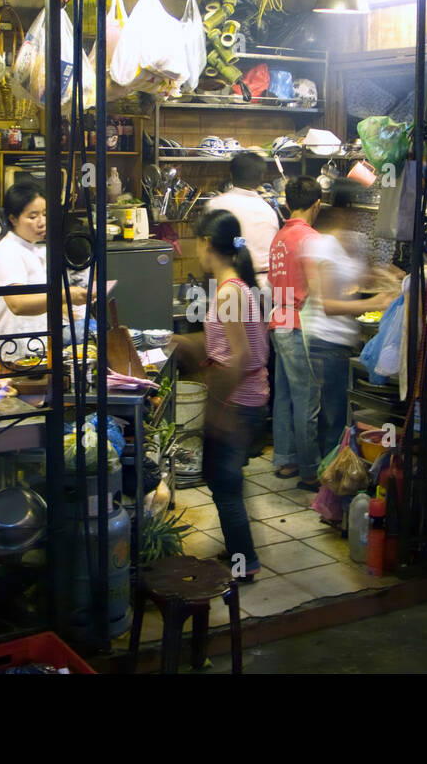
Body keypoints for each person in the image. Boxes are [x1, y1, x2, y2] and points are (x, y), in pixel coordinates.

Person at [172, 210, 268, 582]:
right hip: (246, 399)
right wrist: (184, 342)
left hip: (239, 403)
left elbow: (240, 357)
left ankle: (245, 563)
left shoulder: (230, 292)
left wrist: (219, 410)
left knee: (225, 486)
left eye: (197, 243)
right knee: (225, 481)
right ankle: (240, 553)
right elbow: (230, 344)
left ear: (207, 243)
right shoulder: (236, 288)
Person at [301, 207, 397, 462]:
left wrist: (388, 279)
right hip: (327, 343)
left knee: (338, 416)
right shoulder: (324, 246)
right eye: (352, 213)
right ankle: (329, 476)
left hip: (342, 342)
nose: (355, 219)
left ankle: (333, 472)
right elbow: (328, 305)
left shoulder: (351, 242)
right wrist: (373, 303)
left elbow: (363, 277)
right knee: (333, 420)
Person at [0, 179, 90, 365]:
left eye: (45, 214)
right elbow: (18, 304)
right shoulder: (9, 252)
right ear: (13, 218)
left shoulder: (34, 249)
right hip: (9, 354)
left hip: (31, 349)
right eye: (32, 217)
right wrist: (66, 295)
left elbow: (40, 298)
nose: (42, 222)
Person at [267, 176, 323, 490]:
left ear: (288, 203)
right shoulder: (310, 238)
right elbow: (317, 285)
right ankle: (310, 470)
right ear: (317, 204)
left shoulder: (280, 237)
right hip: (300, 324)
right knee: (307, 400)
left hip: (279, 321)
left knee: (285, 396)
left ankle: (286, 460)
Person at [206, 153, 280, 292]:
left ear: (231, 175)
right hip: (266, 286)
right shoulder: (269, 211)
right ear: (261, 177)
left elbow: (209, 248)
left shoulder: (215, 205)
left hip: (230, 284)